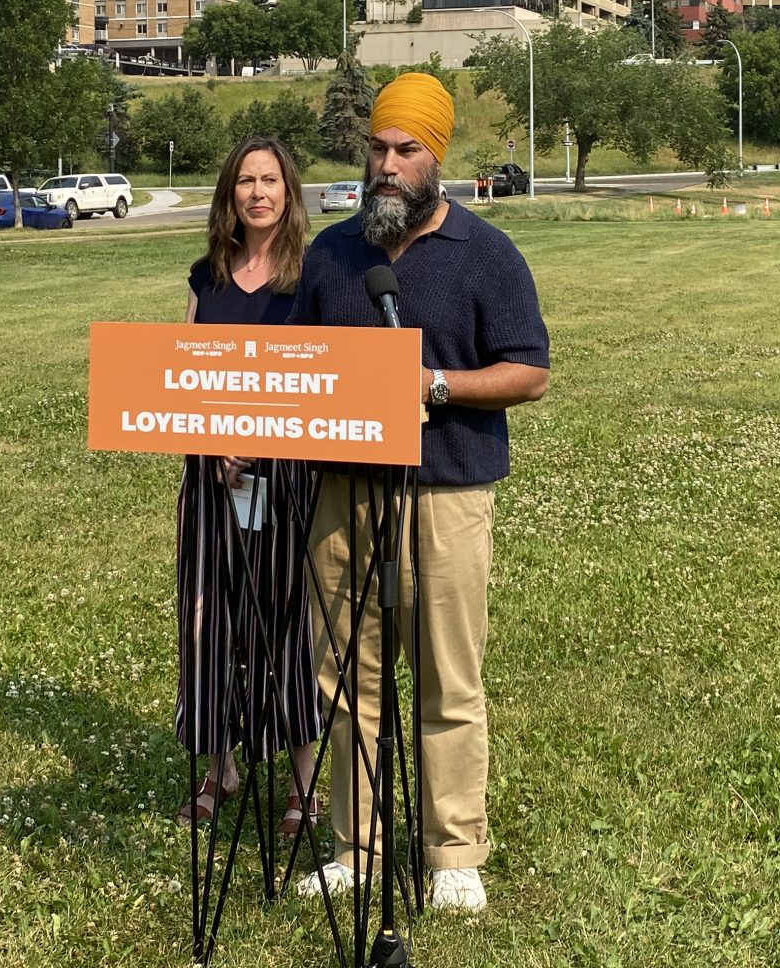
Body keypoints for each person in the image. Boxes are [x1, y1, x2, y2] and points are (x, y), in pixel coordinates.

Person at [292, 72, 550, 915]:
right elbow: (300, 366)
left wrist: (433, 387)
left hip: (446, 496)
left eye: (406, 151)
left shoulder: (488, 254)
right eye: (377, 149)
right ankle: (354, 849)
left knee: (449, 681)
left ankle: (452, 854)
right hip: (342, 495)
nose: (387, 166)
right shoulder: (332, 254)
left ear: (437, 158)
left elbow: (529, 371)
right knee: (344, 679)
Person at [174, 135, 322, 836]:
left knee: (286, 623)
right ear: (228, 194)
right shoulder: (207, 275)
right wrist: (215, 446)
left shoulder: (312, 275)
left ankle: (302, 783)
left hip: (287, 476)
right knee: (209, 620)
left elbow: (324, 380)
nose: (257, 192)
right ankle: (217, 768)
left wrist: (265, 444)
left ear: (288, 191)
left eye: (269, 180)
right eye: (244, 181)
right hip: (212, 477)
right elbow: (185, 376)